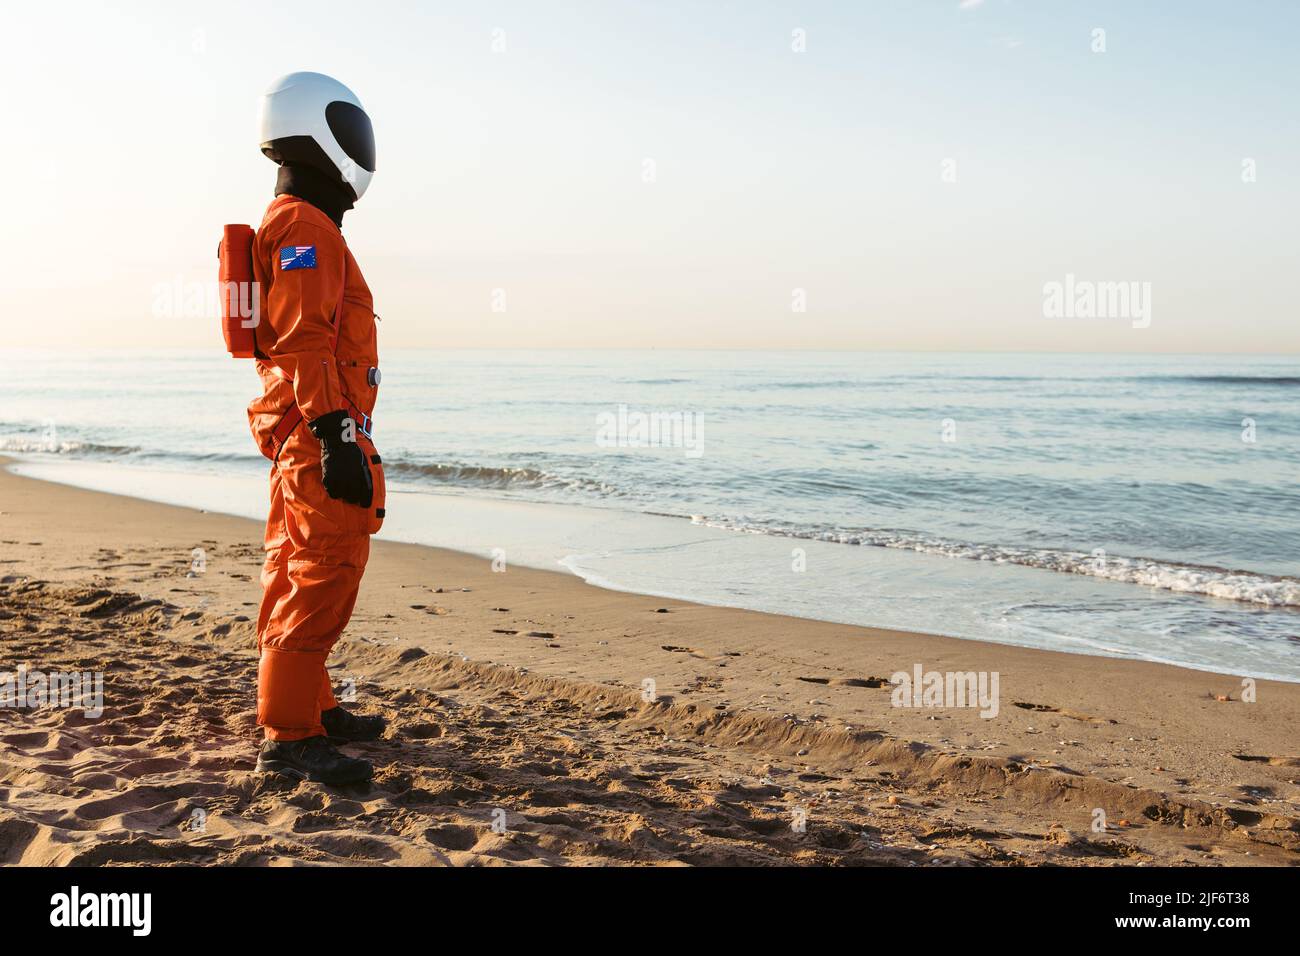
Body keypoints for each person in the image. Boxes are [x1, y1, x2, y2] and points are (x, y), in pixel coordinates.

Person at [246, 72, 388, 784]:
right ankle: (290, 734)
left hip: (300, 427)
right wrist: (336, 437)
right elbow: (304, 341)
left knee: (292, 569)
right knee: (321, 573)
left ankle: (313, 705)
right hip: (316, 429)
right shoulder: (304, 225)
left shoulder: (295, 222)